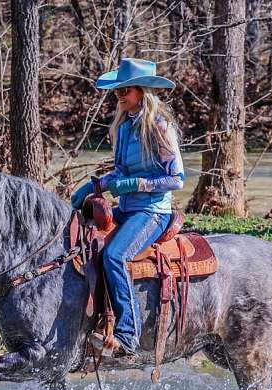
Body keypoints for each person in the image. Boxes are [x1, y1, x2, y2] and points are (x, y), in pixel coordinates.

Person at [70, 58, 185, 356]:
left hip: (152, 212)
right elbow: (120, 172)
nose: (120, 94)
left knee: (115, 256)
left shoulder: (160, 127)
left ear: (143, 91)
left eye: (127, 89)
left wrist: (134, 186)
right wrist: (95, 187)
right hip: (129, 209)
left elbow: (176, 179)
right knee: (83, 241)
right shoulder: (122, 128)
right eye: (118, 89)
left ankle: (127, 334)